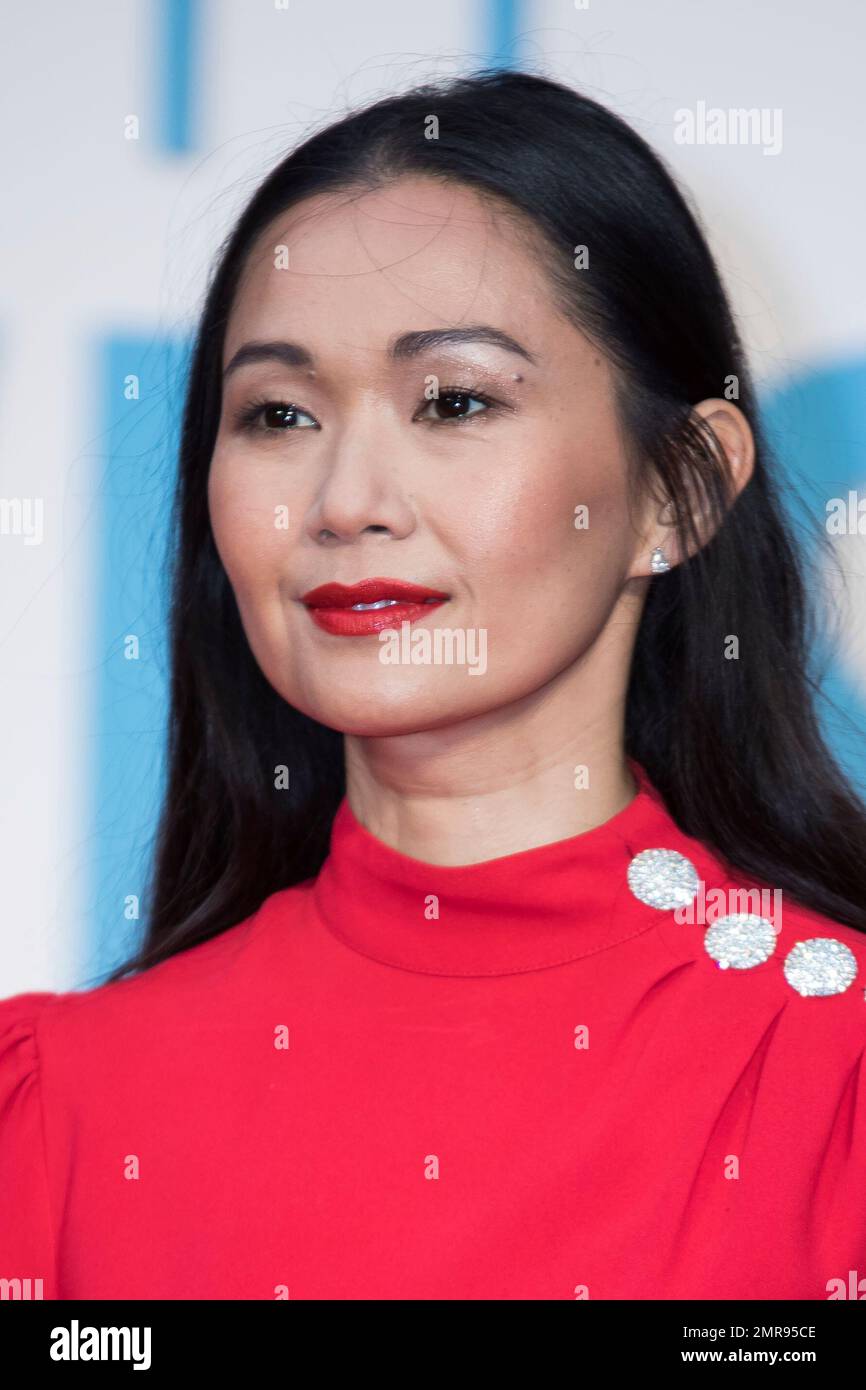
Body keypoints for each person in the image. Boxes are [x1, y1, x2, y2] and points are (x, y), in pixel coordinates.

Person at [2, 69, 865, 1301]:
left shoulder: (835, 1079)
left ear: (675, 488)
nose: (346, 500)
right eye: (278, 416)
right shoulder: (59, 1107)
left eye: (452, 401)